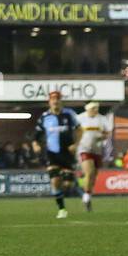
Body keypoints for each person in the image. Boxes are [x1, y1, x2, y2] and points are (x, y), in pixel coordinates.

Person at [32, 90, 81, 219]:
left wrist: (76, 144)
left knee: (67, 185)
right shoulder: (44, 117)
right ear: (49, 101)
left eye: (57, 99)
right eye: (53, 99)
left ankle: (71, 186)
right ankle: (62, 209)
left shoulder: (69, 114)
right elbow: (36, 136)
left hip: (67, 153)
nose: (55, 101)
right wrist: (35, 145)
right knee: (55, 180)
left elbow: (80, 129)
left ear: (61, 101)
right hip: (52, 153)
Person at [74, 102, 112, 213]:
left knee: (93, 176)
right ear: (88, 109)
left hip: (97, 150)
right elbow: (74, 131)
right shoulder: (80, 118)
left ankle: (87, 196)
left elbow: (108, 132)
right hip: (84, 148)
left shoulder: (102, 119)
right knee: (89, 172)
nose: (96, 110)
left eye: (97, 108)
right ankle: (85, 196)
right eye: (93, 108)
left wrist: (101, 137)